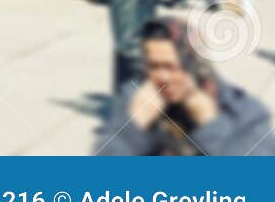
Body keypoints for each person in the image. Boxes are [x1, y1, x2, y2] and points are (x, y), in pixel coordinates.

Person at [96, 19, 275, 155]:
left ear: (194, 65)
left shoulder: (241, 109)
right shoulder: (133, 101)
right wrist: (132, 127)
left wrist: (212, 124)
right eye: (154, 66)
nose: (163, 77)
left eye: (171, 67)